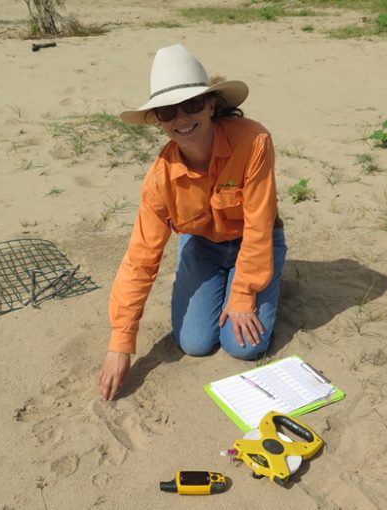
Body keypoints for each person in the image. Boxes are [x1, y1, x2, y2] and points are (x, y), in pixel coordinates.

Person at [97, 44, 286, 400]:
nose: (181, 119)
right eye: (168, 111)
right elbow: (140, 260)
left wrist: (244, 294)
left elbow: (260, 225)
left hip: (255, 241)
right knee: (194, 342)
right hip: (203, 243)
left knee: (244, 346)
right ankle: (215, 270)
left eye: (192, 105)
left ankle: (260, 280)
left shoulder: (254, 142)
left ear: (211, 104)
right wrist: (120, 342)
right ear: (158, 120)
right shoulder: (159, 181)